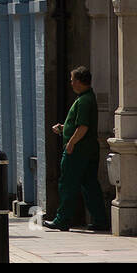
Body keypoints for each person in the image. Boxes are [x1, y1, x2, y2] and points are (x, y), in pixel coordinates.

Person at [44, 66, 110, 232]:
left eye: (73, 80)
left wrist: (71, 143)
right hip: (89, 150)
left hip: (78, 151)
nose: (71, 83)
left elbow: (83, 127)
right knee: (90, 185)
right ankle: (100, 220)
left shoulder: (84, 101)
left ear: (80, 81)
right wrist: (63, 127)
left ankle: (62, 219)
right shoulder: (87, 98)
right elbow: (78, 125)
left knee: (68, 184)